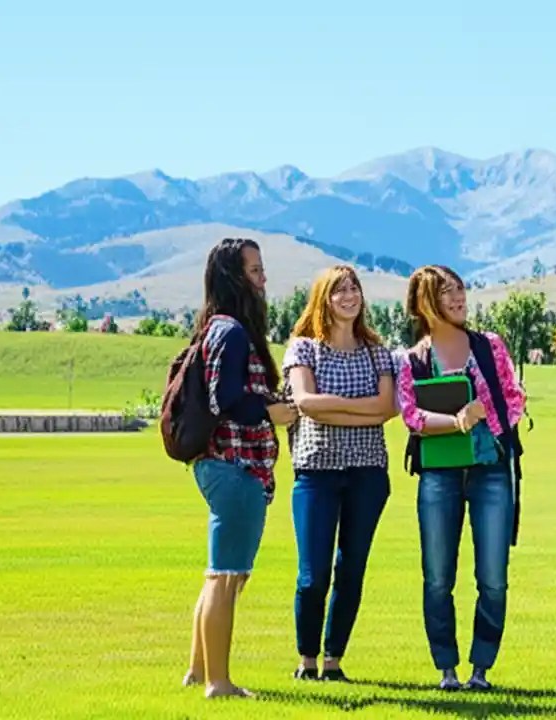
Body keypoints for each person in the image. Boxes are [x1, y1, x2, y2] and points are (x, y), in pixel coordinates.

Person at [396, 265, 526, 691]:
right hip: (437, 476)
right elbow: (411, 415)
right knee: (437, 577)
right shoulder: (413, 359)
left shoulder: (489, 346)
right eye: (445, 292)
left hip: (491, 471)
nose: (457, 298)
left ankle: (481, 669)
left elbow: (514, 398)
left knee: (493, 577)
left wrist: (481, 411)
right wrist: (454, 421)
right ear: (423, 303)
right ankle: (447, 669)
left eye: (459, 289)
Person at [183, 237, 297, 698]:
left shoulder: (217, 328)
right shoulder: (230, 332)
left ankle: (197, 670)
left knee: (225, 574)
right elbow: (226, 400)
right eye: (254, 271)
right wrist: (271, 411)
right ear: (234, 278)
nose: (263, 279)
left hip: (226, 466)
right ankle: (219, 681)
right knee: (226, 575)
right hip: (235, 465)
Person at [281, 265, 397, 683]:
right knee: (312, 575)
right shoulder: (303, 348)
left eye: (354, 289)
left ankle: (333, 661)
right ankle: (306, 658)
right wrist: (361, 409)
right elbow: (305, 402)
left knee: (351, 570)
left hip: (367, 475)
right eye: (339, 290)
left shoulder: (377, 352)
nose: (349, 296)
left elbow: (388, 409)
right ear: (323, 299)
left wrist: (338, 410)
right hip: (316, 473)